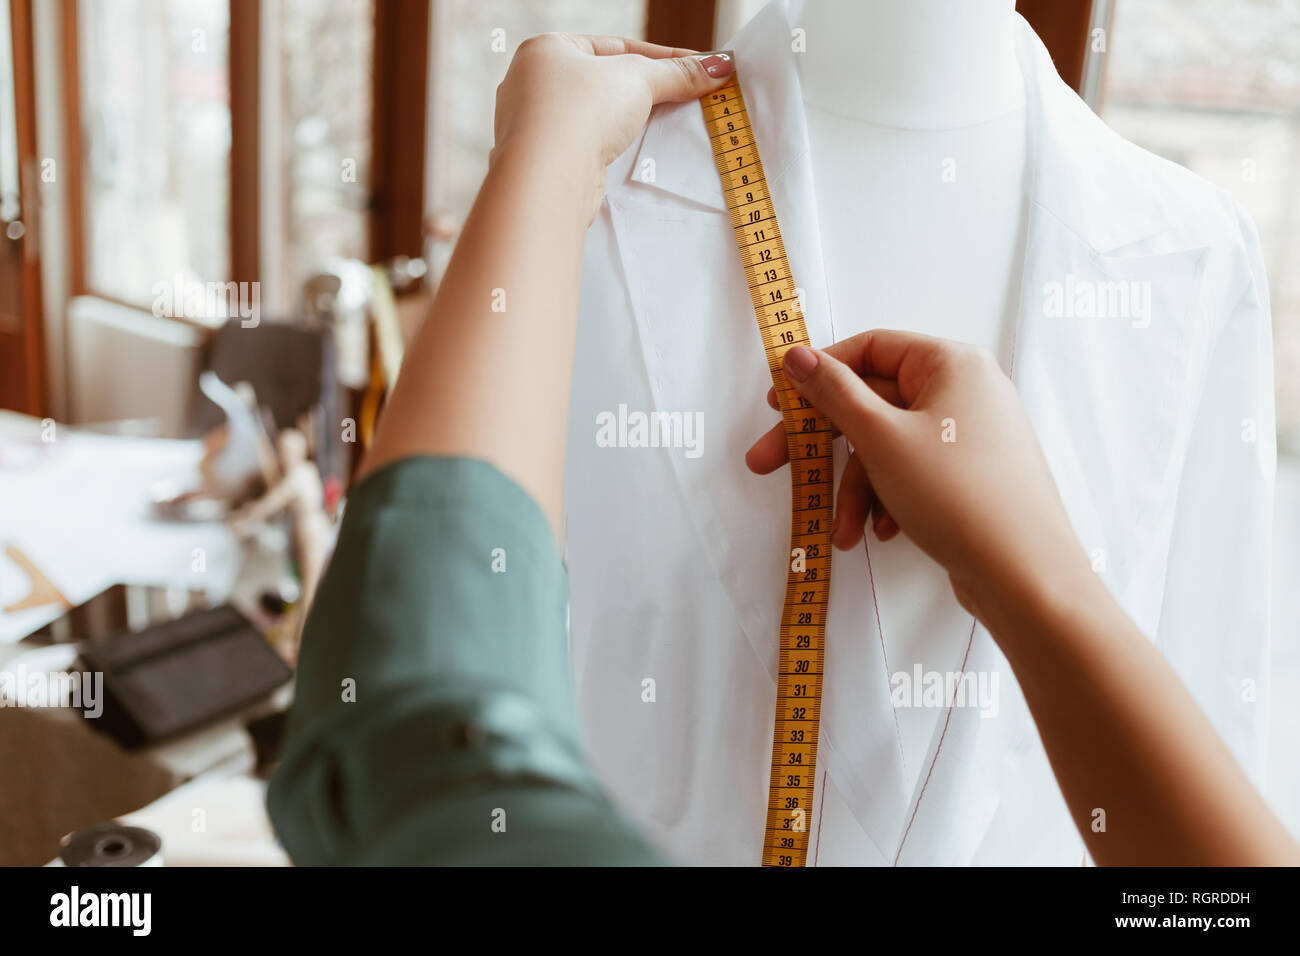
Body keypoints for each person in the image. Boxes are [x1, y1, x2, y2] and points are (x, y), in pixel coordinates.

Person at [266, 35, 1299, 866]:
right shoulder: (612, 192)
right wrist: (1043, 578)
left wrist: (527, 174)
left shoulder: (1195, 249)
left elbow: (402, 733)